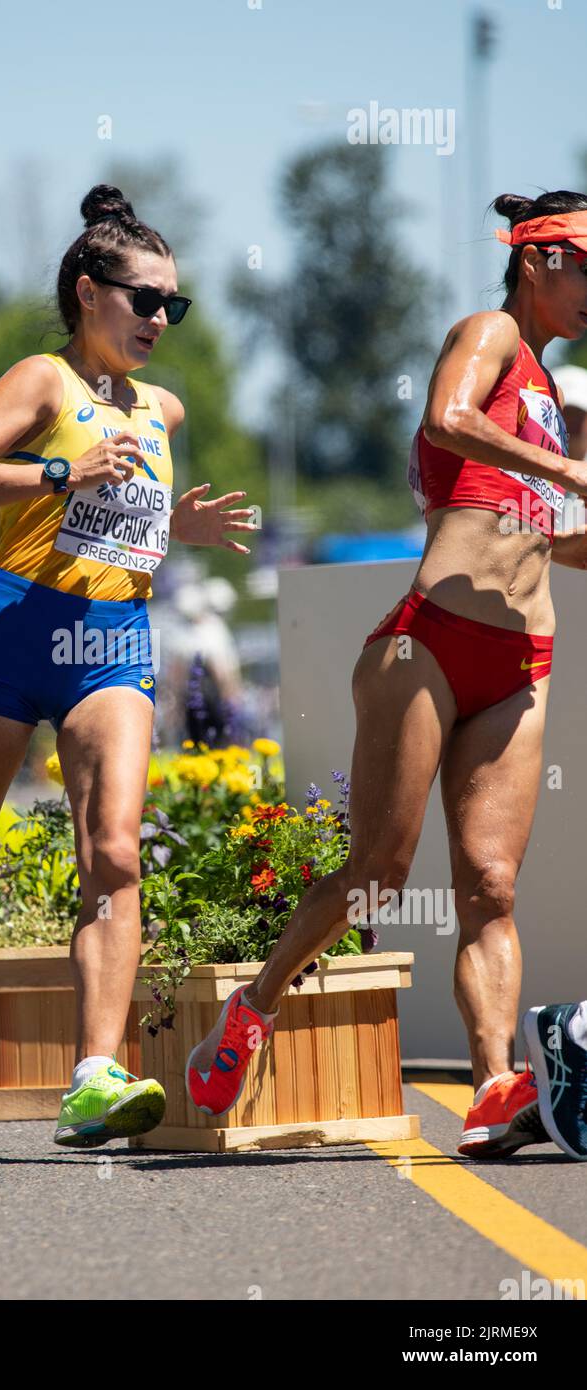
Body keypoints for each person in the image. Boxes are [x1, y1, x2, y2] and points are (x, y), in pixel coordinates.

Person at [0, 184, 256, 1159]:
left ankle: (92, 1076)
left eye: (173, 306)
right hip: (11, 632)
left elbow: (128, 515)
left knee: (112, 849)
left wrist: (174, 524)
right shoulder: (40, 381)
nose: (160, 320)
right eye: (144, 300)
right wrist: (58, 472)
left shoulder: (161, 407)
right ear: (86, 290)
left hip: (112, 640)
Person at [185, 190, 587, 1159]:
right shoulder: (485, 330)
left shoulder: (552, 393)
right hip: (427, 640)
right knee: (376, 876)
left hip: (519, 659)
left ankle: (494, 1085)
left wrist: (572, 485)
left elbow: (558, 543)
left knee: (488, 886)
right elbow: (445, 420)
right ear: (537, 260)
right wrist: (567, 468)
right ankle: (250, 1007)